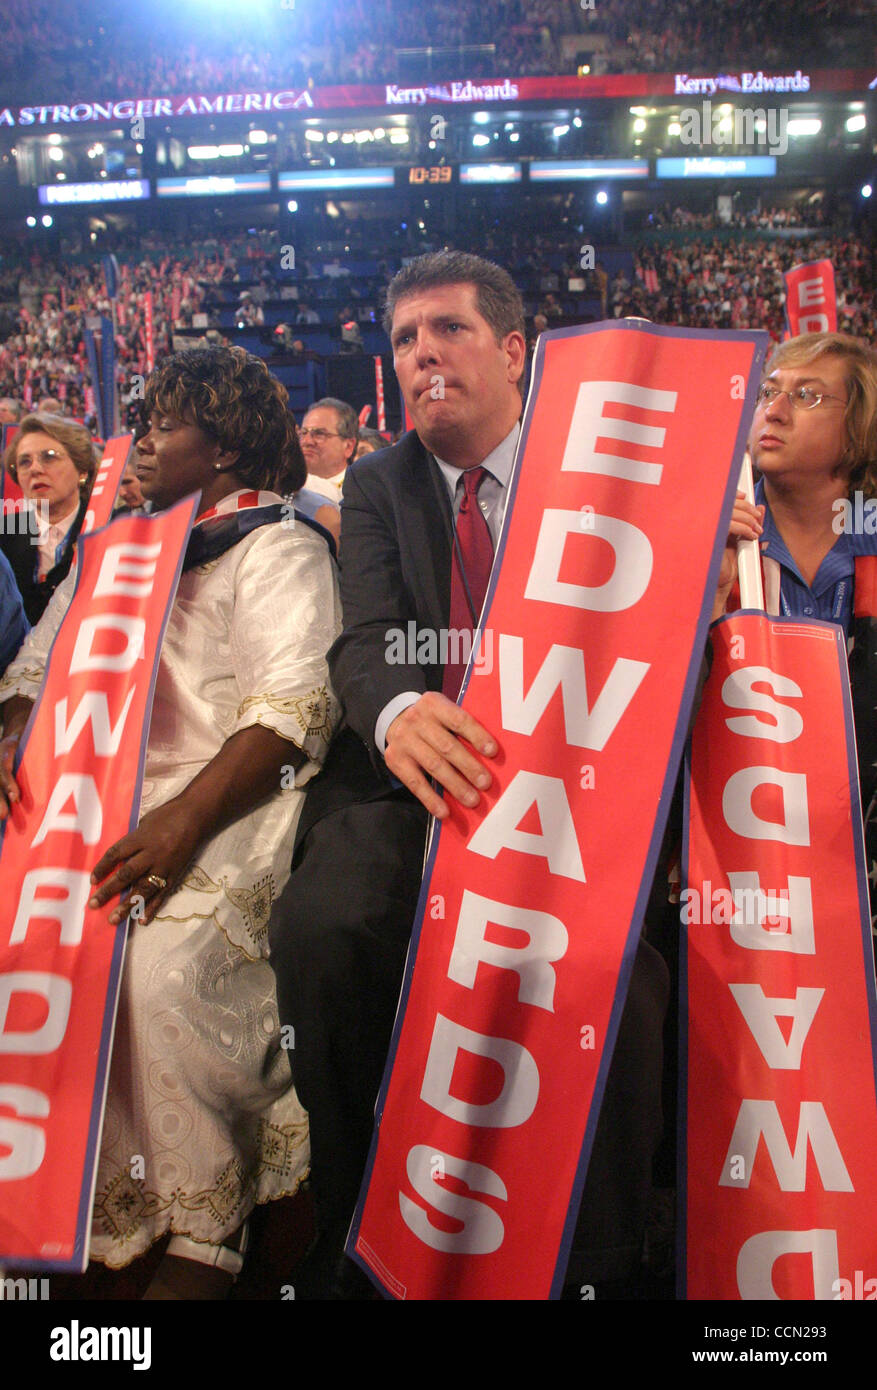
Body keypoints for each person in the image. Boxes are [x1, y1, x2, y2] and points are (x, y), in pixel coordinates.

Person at [268, 250, 668, 1299]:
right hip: (424, 786)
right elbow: (363, 641)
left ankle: (603, 1261)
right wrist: (398, 710)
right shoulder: (377, 479)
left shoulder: (608, 466)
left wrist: (707, 559)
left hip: (576, 794)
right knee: (325, 929)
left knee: (621, 976)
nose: (420, 356)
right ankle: (359, 1223)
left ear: (514, 350)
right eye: (403, 339)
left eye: (445, 329)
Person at [0, 344, 341, 1298]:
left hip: (230, 801)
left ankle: (204, 1223)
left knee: (153, 974)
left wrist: (186, 822)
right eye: (141, 419)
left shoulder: (278, 543)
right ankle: (81, 1203)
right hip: (96, 802)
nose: (139, 440)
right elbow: (34, 669)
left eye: (165, 424)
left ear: (225, 447)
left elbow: (292, 707)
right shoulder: (113, 554)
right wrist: (13, 727)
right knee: (35, 962)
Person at [714, 330, 877, 921]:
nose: (773, 411)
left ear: (858, 428)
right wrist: (709, 590)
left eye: (806, 397)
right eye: (768, 392)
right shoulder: (710, 538)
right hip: (740, 859)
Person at [1, 412, 97, 624]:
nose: (35, 468)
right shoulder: (5, 532)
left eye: (50, 456)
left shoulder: (107, 527)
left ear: (82, 470)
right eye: (24, 462)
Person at [299, 396, 358, 503]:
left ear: (348, 446)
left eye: (319, 434)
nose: (307, 441)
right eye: (303, 433)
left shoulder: (360, 491)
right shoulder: (286, 488)